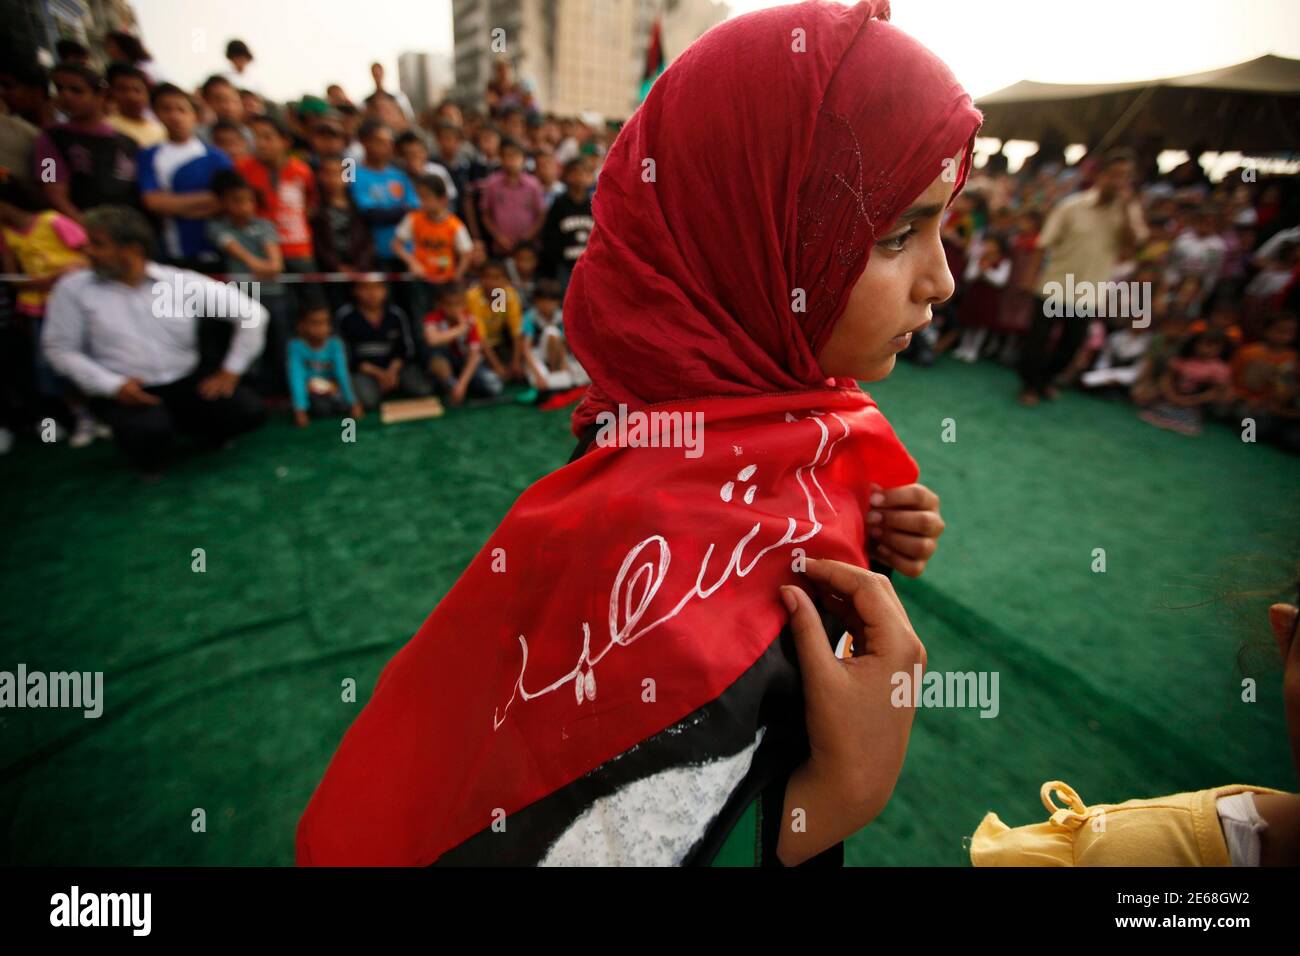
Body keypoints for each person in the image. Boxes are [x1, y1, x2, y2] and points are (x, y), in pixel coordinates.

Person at [297, 0, 975, 867]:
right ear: (753, 237)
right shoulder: (634, 553)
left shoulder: (798, 412)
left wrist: (865, 531)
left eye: (943, 223)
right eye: (897, 234)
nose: (943, 280)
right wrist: (838, 797)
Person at [40, 206, 266, 474]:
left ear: (132, 249)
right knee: (146, 432)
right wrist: (111, 385)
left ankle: (204, 433)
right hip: (128, 391)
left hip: (187, 381)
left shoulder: (180, 282)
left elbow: (253, 315)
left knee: (247, 409)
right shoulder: (73, 289)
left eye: (98, 244)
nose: (87, 251)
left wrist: (231, 371)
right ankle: (151, 453)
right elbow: (59, 348)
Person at [1018, 148, 1148, 406]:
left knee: (1071, 345)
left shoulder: (1128, 213)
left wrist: (1125, 210)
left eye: (1125, 176)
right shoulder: (1072, 206)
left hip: (1090, 291)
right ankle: (1030, 384)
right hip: (1056, 284)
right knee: (1038, 339)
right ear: (1101, 175)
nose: (1118, 181)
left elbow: (1133, 246)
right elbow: (1043, 244)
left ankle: (1046, 380)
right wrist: (1029, 278)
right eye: (1114, 174)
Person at [138, 83, 231, 269]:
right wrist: (205, 201)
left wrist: (172, 204)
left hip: (216, 247)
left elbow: (226, 200)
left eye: (181, 109)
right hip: (173, 250)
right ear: (156, 113)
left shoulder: (216, 157)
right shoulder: (149, 155)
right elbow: (152, 202)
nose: (175, 116)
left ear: (194, 115)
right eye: (167, 109)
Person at [35, 64, 139, 221]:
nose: (66, 96)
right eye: (60, 89)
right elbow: (52, 191)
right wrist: (87, 228)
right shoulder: (50, 138)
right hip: (80, 227)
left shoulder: (129, 144)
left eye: (76, 90)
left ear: (101, 95)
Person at [336, 279, 432, 409]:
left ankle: (393, 386)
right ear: (355, 291)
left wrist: (392, 371)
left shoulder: (396, 314)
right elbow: (346, 355)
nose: (372, 293)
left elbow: (406, 349)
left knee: (423, 390)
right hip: (364, 371)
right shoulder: (345, 316)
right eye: (365, 288)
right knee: (369, 400)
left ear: (385, 290)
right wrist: (379, 374)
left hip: (395, 368)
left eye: (377, 288)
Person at [391, 173, 472, 319]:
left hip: (445, 283)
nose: (422, 202)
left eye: (427, 197)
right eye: (420, 197)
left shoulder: (454, 225)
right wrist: (412, 263)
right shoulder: (414, 219)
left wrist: (457, 276)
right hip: (420, 281)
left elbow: (466, 253)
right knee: (421, 317)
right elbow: (396, 245)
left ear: (443, 199)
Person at [421, 282, 501, 406]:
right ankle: (450, 385)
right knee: (437, 359)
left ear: (464, 304)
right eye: (449, 304)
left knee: (494, 386)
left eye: (457, 304)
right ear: (440, 304)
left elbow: (474, 356)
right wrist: (460, 329)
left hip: (464, 364)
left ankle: (460, 387)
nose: (453, 308)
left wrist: (462, 384)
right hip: (445, 363)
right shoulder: (433, 318)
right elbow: (432, 340)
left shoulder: (471, 320)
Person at [287, 303, 362, 426]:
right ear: (301, 325)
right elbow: (297, 379)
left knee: (354, 399)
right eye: (314, 323)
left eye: (325, 322)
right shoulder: (295, 347)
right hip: (312, 390)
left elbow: (342, 374)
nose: (321, 328)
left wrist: (353, 402)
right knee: (322, 408)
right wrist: (300, 409)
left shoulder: (335, 344)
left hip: (334, 387)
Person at [477, 138, 545, 258]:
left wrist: (527, 237)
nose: (511, 160)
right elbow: (485, 214)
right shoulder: (492, 184)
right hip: (500, 245)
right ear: (501, 159)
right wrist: (499, 237)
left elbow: (541, 215)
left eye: (515, 156)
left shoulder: (533, 185)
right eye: (507, 156)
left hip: (527, 248)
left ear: (523, 159)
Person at [537, 155, 594, 293]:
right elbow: (549, 235)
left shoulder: (595, 203)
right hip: (564, 265)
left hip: (590, 264)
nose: (580, 177)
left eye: (585, 172)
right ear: (567, 176)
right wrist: (556, 259)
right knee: (566, 297)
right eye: (576, 172)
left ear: (591, 177)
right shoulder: (559, 204)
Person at [466, 259, 525, 383]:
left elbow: (517, 332)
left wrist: (516, 362)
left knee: (523, 372)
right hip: (476, 348)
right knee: (491, 383)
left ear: (505, 280)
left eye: (497, 278)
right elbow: (480, 337)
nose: (492, 282)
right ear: (480, 279)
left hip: (499, 343)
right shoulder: (473, 297)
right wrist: (497, 366)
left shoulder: (508, 295)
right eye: (487, 277)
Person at [105, 64, 164, 148]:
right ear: (110, 92)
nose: (132, 96)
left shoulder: (161, 129)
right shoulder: (107, 127)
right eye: (123, 89)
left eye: (137, 90)